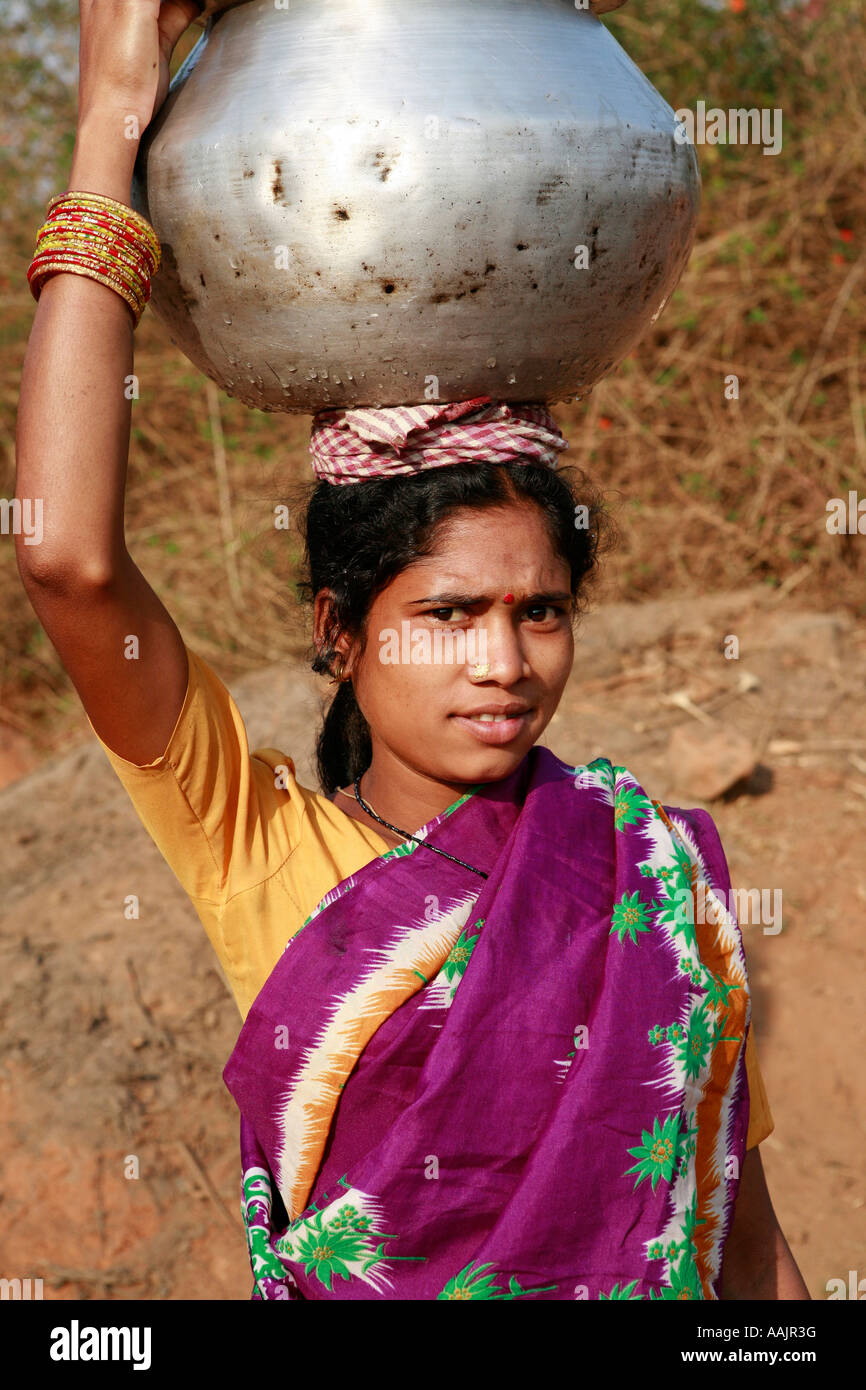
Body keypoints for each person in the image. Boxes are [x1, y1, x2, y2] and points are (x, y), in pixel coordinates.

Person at [14, 0, 809, 1300]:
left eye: (537, 610)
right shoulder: (263, 850)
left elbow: (744, 1251)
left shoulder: (646, 886)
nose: (503, 663)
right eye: (447, 615)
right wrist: (109, 119)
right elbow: (65, 558)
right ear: (339, 630)